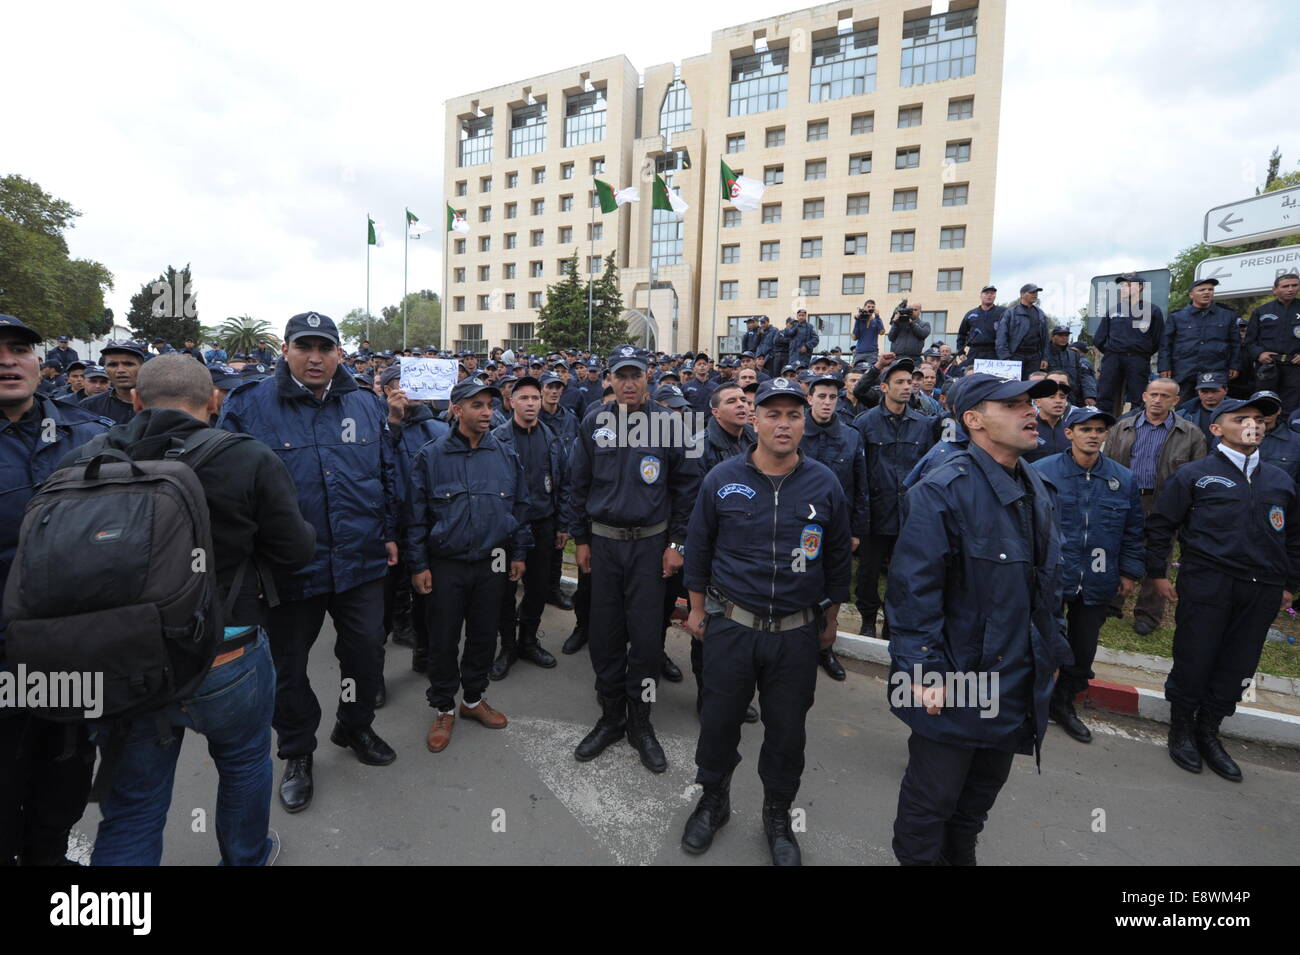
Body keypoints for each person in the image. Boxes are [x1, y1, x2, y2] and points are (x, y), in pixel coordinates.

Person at [60, 355, 315, 865]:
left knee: (135, 800)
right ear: (214, 401)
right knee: (243, 765)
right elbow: (296, 551)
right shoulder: (248, 458)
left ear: (136, 400)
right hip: (227, 650)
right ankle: (246, 857)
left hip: (127, 659)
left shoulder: (88, 456)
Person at [218, 311, 398, 814]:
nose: (315, 357)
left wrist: (388, 533)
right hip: (289, 568)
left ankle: (354, 725)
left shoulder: (365, 403)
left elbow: (385, 475)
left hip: (359, 561)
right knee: (289, 666)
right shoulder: (249, 406)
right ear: (287, 350)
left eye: (325, 347)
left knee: (365, 653)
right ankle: (298, 751)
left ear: (340, 352)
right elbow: (228, 489)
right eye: (304, 347)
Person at [887, 374, 1071, 866]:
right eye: (1011, 405)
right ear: (974, 420)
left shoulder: (1037, 485)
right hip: (956, 681)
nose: (1030, 412)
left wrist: (1052, 651)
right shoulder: (944, 490)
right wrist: (923, 673)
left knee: (975, 804)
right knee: (931, 805)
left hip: (1016, 681)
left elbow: (1047, 586)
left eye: (1029, 403)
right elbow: (912, 593)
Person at [681, 377, 851, 866]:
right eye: (772, 414)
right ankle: (714, 801)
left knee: (786, 732)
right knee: (718, 724)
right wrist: (696, 609)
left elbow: (837, 557)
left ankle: (778, 815)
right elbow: (699, 547)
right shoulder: (721, 479)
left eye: (792, 415)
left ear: (804, 423)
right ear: (754, 420)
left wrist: (832, 617)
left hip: (796, 632)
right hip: (732, 626)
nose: (783, 424)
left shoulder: (824, 483)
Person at [0, 314, 111, 866]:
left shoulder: (87, 434)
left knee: (64, 775)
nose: (6, 360)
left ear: (38, 362)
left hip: (73, 648)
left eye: (18, 348)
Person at [1145, 394, 1300, 782]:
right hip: (1208, 581)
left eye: (1260, 419)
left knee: (1239, 663)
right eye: (1241, 418)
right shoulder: (1195, 473)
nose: (1254, 424)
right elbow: (1162, 525)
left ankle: (1209, 730)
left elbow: (1294, 536)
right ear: (1216, 429)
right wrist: (1158, 574)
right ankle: (1181, 727)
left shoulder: (1281, 480)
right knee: (1196, 656)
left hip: (1261, 587)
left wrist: (1289, 583)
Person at [565, 345, 699, 774]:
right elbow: (578, 484)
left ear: (648, 377)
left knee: (644, 641)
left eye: (635, 375)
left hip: (649, 548)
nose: (627, 382)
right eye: (620, 375)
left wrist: (676, 544)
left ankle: (641, 723)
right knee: (604, 637)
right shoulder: (593, 423)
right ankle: (610, 719)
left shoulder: (670, 425)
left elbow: (687, 489)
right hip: (603, 547)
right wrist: (581, 541)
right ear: (609, 378)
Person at [407, 379, 530, 752]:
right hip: (447, 563)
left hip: (492, 561)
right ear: (457, 409)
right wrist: (418, 564)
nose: (487, 413)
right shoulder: (430, 456)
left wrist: (520, 553)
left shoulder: (505, 455)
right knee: (443, 638)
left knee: (483, 634)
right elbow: (415, 517)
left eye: (490, 406)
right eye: (477, 405)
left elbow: (520, 508)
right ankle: (444, 706)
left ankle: (473, 699)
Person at [1031, 407, 1145, 743]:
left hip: (1097, 580)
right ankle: (1032, 700)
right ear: (1070, 433)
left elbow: (1133, 531)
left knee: (1082, 651)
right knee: (1041, 641)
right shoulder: (1042, 471)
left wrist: (1129, 571)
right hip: (1051, 576)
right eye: (1085, 429)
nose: (1093, 435)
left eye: (1099, 429)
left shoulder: (1123, 479)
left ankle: (1063, 703)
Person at [1103, 376, 1207, 635]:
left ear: (1175, 401)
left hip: (1164, 502)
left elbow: (1198, 474)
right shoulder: (1121, 427)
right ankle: (1111, 603)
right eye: (1154, 394)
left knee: (1158, 555)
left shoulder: (1191, 433)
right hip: (1124, 499)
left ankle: (1148, 614)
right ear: (1145, 396)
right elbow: (1106, 463)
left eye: (1165, 396)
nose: (1158, 400)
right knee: (1118, 549)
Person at [854, 359, 937, 637]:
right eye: (899, 382)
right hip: (875, 512)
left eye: (909, 382)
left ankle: (892, 623)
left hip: (909, 513)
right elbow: (858, 470)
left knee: (902, 575)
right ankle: (867, 617)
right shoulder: (864, 423)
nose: (907, 387)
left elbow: (928, 468)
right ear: (884, 387)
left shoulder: (923, 425)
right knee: (868, 573)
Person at [489, 376, 565, 681]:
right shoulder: (497, 439)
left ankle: (528, 640)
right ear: (512, 402)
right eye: (524, 398)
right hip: (507, 528)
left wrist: (562, 524)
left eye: (535, 398)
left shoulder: (551, 437)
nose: (531, 403)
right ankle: (507, 646)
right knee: (503, 590)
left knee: (537, 587)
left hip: (543, 523)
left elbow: (563, 483)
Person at [381, 364, 450, 674]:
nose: (417, 387)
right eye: (406, 382)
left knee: (426, 597)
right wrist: (393, 422)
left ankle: (423, 653)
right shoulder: (375, 426)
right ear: (386, 390)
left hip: (425, 528)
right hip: (387, 528)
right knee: (378, 608)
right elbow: (373, 467)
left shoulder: (438, 428)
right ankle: (372, 676)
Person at [802, 375, 869, 681]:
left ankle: (825, 644)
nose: (827, 402)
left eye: (832, 397)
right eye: (822, 396)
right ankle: (798, 643)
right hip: (800, 524)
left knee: (835, 584)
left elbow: (860, 487)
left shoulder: (852, 436)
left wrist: (856, 531)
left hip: (837, 526)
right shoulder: (797, 431)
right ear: (810, 399)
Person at [1160, 277, 1240, 403]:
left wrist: (1235, 365)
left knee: (1215, 408)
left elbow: (1235, 343)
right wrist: (1164, 367)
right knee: (1184, 408)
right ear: (1191, 294)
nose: (1207, 292)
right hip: (1185, 370)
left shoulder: (1228, 315)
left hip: (1216, 369)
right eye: (1202, 290)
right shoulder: (1177, 317)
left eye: (1210, 289)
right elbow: (1166, 344)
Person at [1095, 272, 1164, 415]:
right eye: (1122, 286)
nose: (1123, 288)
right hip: (1113, 358)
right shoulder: (1113, 310)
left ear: (1140, 287)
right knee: (1105, 394)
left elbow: (1158, 339)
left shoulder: (1152, 310)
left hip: (1138, 359)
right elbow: (1099, 338)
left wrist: (1141, 352)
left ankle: (1134, 430)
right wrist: (1111, 351)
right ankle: (1102, 428)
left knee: (1138, 397)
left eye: (1128, 285)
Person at [1244, 273, 1300, 415]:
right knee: (1265, 403)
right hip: (1268, 367)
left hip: (1295, 367)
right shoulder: (1261, 311)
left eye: (1294, 285)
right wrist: (1259, 353)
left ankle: (1290, 434)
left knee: (1292, 406)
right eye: (1285, 286)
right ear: (1275, 290)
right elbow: (1250, 341)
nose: (1290, 289)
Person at [81, 340, 148, 425]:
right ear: (105, 369)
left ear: (142, 367)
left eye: (128, 364)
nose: (120, 370)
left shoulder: (162, 403)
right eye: (113, 365)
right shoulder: (89, 406)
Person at [996, 284, 1049, 380]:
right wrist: (1004, 356)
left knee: (1033, 385)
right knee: (1013, 384)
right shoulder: (1010, 313)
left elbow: (1045, 338)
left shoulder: (1040, 314)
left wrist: (1045, 358)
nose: (1035, 295)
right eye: (1032, 292)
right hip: (1015, 356)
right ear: (1022, 294)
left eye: (1036, 292)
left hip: (1035, 357)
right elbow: (1001, 336)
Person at [1024, 371, 1073, 463]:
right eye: (1052, 397)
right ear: (1037, 401)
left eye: (1062, 397)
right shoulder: (1026, 428)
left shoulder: (1071, 430)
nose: (1058, 401)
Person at [1044, 326, 1095, 407]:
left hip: (1072, 399)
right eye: (1060, 335)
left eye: (1066, 335)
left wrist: (1089, 395)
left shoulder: (1074, 355)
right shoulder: (1043, 355)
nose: (1064, 338)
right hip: (1049, 397)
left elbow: (1084, 376)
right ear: (1053, 337)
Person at [1175, 371, 1228, 444]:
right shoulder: (1182, 415)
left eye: (1214, 391)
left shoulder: (1238, 412)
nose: (1210, 396)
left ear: (1225, 390)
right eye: (1204, 392)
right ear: (1198, 392)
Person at [956, 286, 1004, 365]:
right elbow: (962, 334)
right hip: (975, 351)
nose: (989, 295)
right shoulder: (970, 314)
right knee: (971, 375)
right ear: (981, 296)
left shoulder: (1003, 312)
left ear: (995, 296)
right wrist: (961, 352)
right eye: (986, 293)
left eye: (992, 293)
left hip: (995, 352)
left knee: (993, 376)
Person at [1258, 392, 1300, 482]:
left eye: (1272, 407)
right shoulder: (1234, 437)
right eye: (1261, 407)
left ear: (1279, 410)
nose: (1267, 411)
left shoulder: (1297, 442)